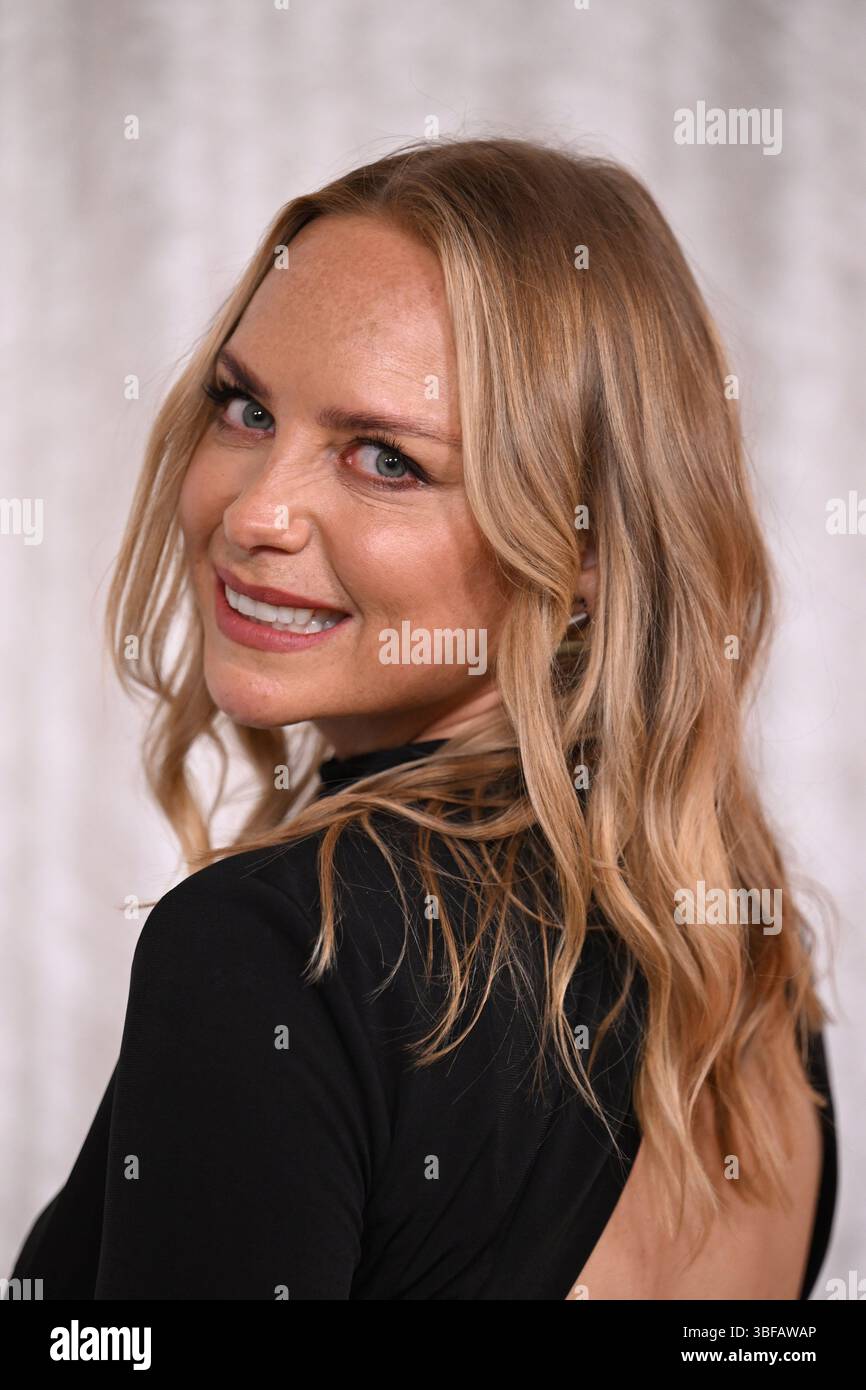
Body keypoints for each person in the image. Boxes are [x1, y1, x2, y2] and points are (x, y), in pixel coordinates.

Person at [10, 136, 837, 1300]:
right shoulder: (738, 971)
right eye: (245, 407)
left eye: (384, 458)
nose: (257, 510)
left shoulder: (279, 948)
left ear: (587, 547)